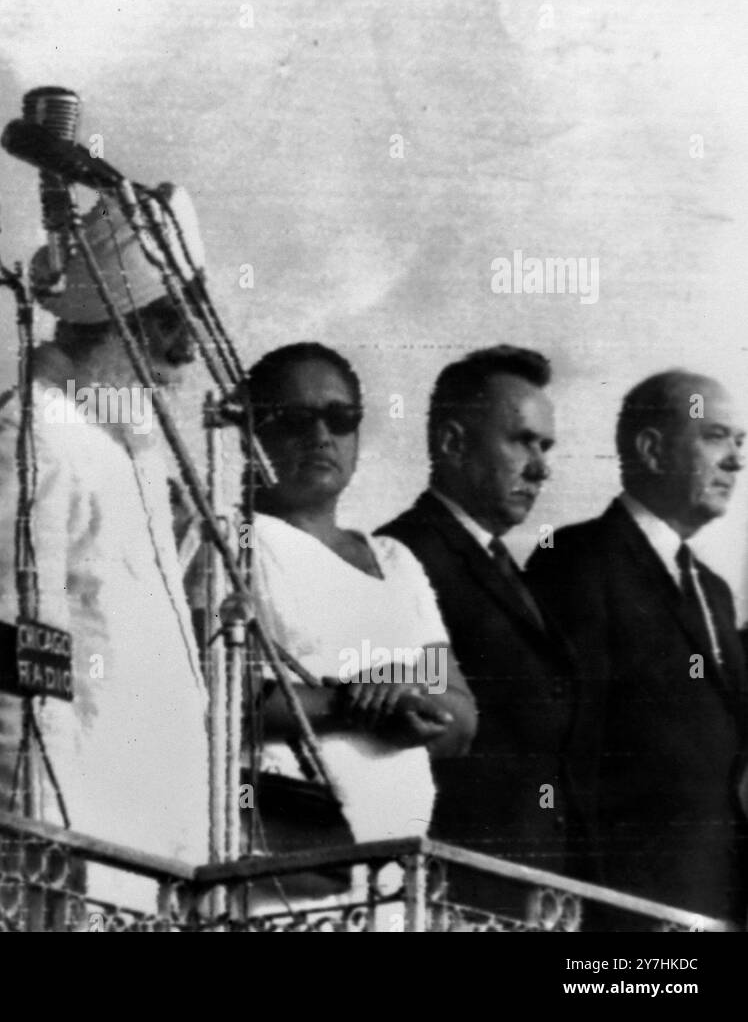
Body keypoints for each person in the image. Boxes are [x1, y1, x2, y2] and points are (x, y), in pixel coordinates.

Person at [0, 189, 210, 906]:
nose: (188, 352)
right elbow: (15, 656)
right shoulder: (33, 436)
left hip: (160, 853)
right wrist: (48, 849)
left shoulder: (132, 449)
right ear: (116, 323)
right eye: (167, 327)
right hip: (72, 861)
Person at [527, 369, 748, 923]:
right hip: (627, 906)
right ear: (651, 449)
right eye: (716, 436)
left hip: (713, 900)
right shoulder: (578, 560)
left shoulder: (714, 592)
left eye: (741, 443)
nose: (736, 462)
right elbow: (568, 757)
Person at [377, 346, 598, 887]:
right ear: (452, 443)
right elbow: (412, 729)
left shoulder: (507, 570)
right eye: (523, 441)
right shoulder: (401, 556)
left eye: (545, 446)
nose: (541, 467)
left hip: (535, 887)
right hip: (458, 886)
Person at [244, 343, 475, 854]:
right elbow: (212, 694)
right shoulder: (233, 540)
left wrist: (409, 697)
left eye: (340, 417)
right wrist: (348, 704)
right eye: (294, 420)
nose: (321, 436)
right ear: (249, 432)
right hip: (284, 847)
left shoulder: (394, 560)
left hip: (397, 854)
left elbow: (460, 716)